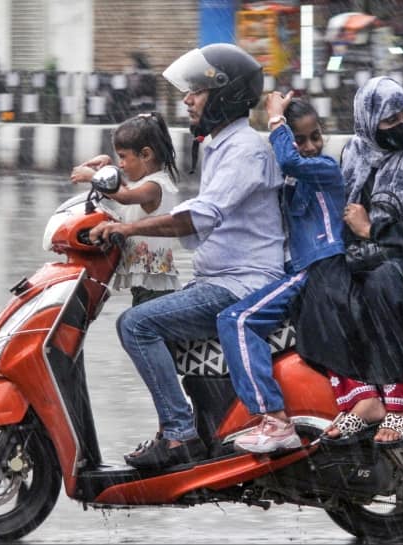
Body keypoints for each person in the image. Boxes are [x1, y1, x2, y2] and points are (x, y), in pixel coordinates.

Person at [89, 43, 285, 470]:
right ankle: (203, 425)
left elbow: (196, 218)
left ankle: (180, 435)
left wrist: (127, 228)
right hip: (219, 279)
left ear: (226, 95)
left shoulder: (245, 150)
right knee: (152, 319)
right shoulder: (220, 146)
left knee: (137, 325)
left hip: (241, 284)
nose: (187, 99)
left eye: (196, 91)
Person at [294, 76, 403, 445]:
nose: (400, 127)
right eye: (389, 121)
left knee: (383, 279)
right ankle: (362, 398)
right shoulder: (355, 154)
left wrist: (373, 229)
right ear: (368, 122)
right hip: (372, 259)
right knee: (318, 281)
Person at [217, 91, 346, 453]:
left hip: (319, 269)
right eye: (301, 138)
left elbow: (290, 160)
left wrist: (276, 119)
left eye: (314, 137)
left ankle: (274, 420)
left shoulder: (326, 170)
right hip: (298, 271)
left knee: (237, 321)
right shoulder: (291, 181)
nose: (309, 146)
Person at [70, 112, 182, 306]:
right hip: (146, 283)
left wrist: (92, 177)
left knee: (139, 326)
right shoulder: (148, 184)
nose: (121, 164)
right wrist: (106, 171)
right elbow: (125, 191)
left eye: (123, 157)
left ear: (146, 154)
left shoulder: (155, 185)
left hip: (154, 286)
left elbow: (126, 197)